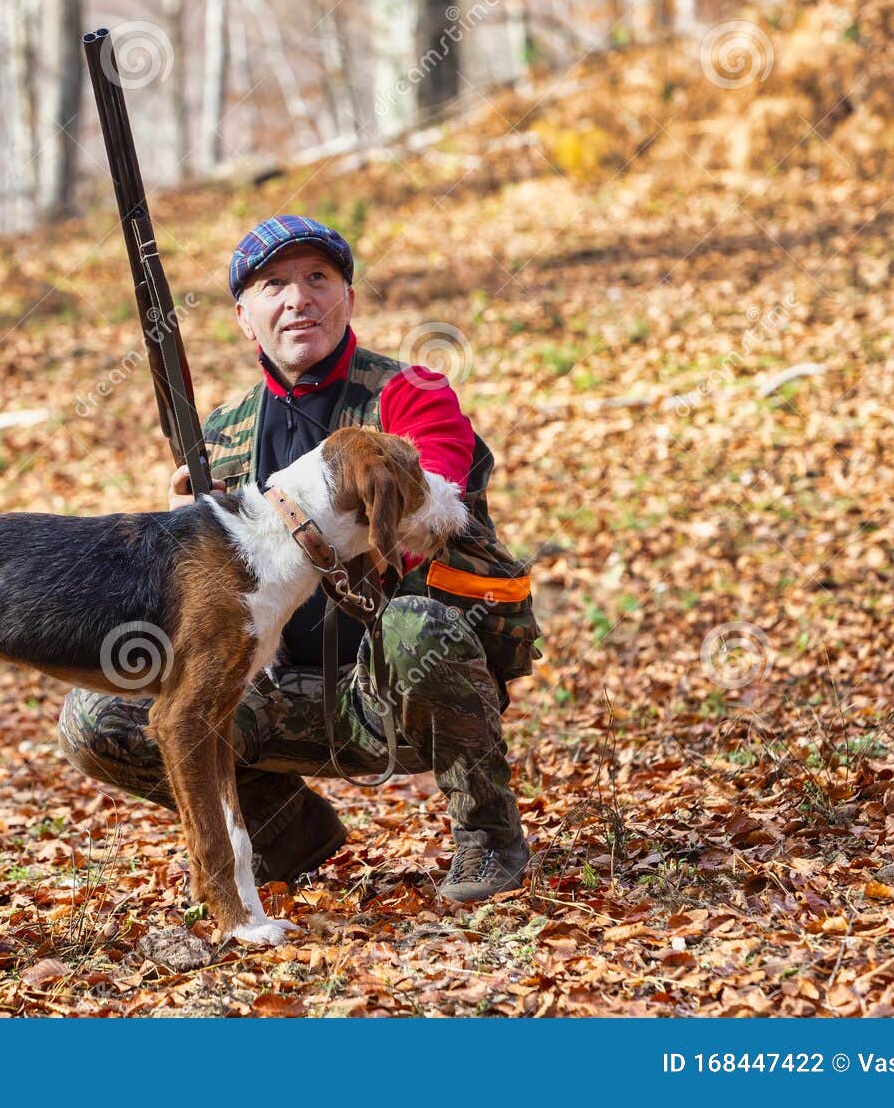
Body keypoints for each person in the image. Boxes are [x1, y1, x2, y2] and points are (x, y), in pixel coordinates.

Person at [58, 215, 541, 902]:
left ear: (349, 298)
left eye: (319, 278)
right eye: (274, 285)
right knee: (99, 713)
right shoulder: (221, 434)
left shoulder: (411, 394)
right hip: (270, 688)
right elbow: (200, 605)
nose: (299, 299)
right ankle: (283, 828)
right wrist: (185, 535)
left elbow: (432, 509)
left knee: (418, 628)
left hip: (394, 685)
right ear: (244, 318)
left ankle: (488, 836)